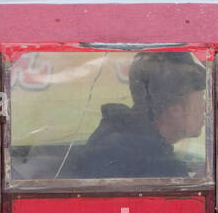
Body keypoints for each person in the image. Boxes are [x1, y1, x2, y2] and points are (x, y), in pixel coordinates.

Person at [66, 51, 207, 179]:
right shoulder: (156, 164)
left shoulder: (118, 138)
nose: (205, 109)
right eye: (201, 101)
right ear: (175, 110)